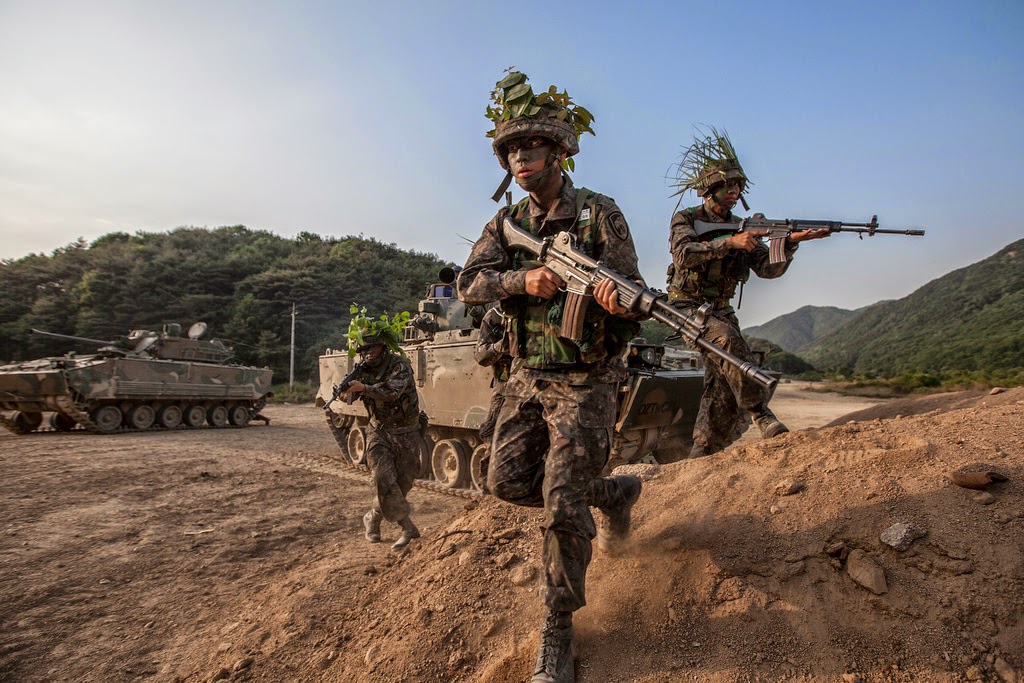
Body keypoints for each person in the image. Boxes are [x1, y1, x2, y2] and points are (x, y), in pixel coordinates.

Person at [458, 71, 644, 683]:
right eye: (511, 151)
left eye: (531, 149)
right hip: (525, 376)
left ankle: (557, 634)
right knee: (506, 483)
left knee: (561, 500)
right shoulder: (505, 224)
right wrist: (522, 280)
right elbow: (468, 286)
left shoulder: (599, 215)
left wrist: (617, 302)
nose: (520, 159)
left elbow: (633, 289)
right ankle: (613, 493)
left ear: (559, 153)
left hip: (585, 378)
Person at [666, 128, 829, 457]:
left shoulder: (744, 226)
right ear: (708, 190)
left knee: (722, 386)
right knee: (726, 341)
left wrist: (791, 243)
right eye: (727, 186)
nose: (733, 191)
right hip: (685, 308)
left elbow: (768, 269)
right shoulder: (687, 219)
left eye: (737, 186)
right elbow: (684, 255)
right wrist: (729, 243)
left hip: (720, 310)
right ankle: (760, 413)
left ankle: (702, 453)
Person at [341, 328, 422, 552]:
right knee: (383, 478)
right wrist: (346, 390)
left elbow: (392, 391)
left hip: (407, 431)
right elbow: (348, 398)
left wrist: (363, 388)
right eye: (363, 350)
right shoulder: (361, 371)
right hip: (379, 431)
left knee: (402, 484)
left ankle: (373, 516)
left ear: (382, 347)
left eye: (371, 348)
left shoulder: (399, 365)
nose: (367, 354)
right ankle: (408, 528)